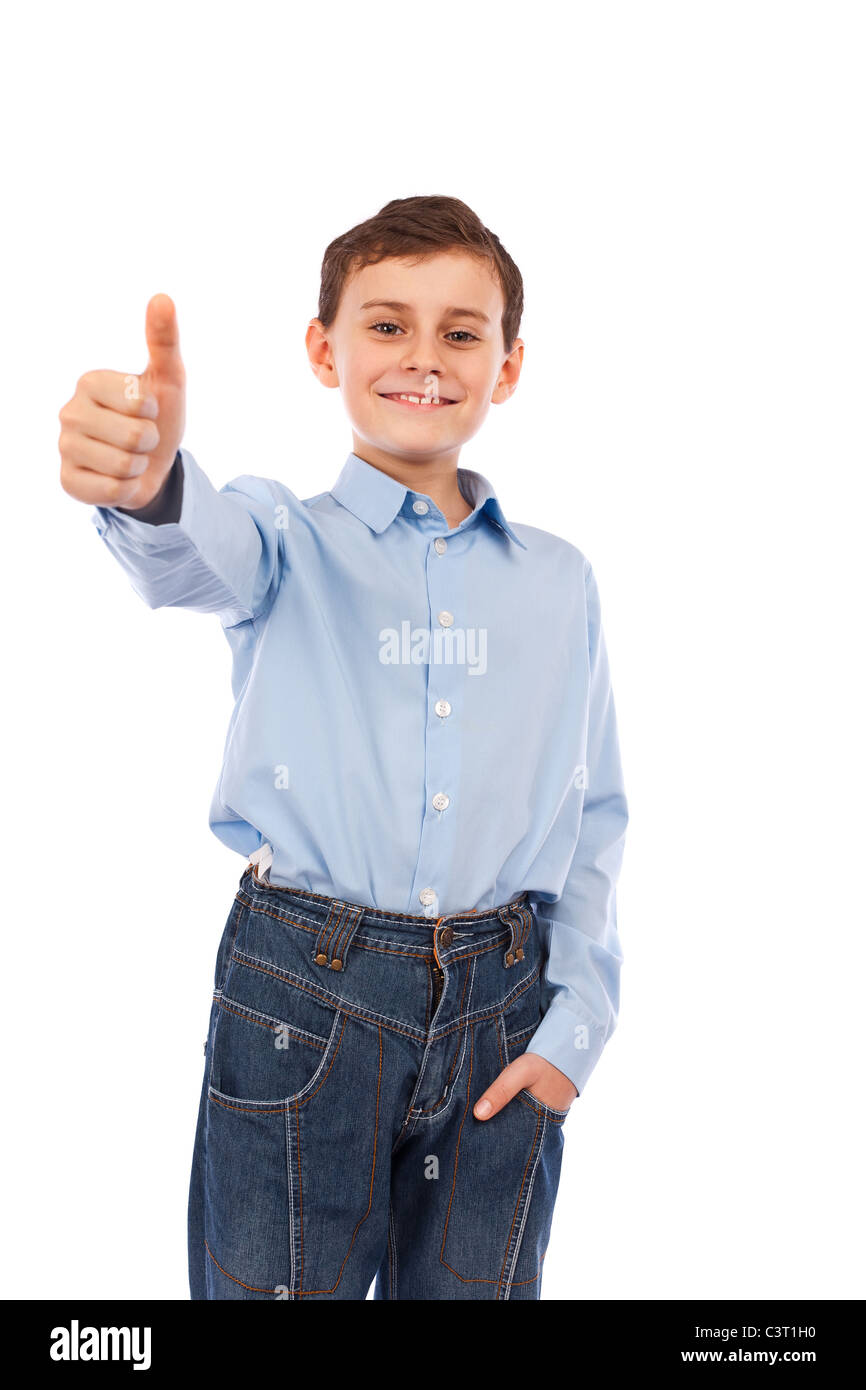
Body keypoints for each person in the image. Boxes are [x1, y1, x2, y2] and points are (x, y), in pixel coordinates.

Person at [58, 194, 628, 1300]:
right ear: (325, 351)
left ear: (507, 366)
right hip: (304, 998)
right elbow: (192, 549)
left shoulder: (560, 581)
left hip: (501, 1009)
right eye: (387, 325)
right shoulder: (281, 537)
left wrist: (574, 1030)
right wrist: (147, 482)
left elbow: (592, 812)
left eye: (460, 331)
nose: (424, 357)